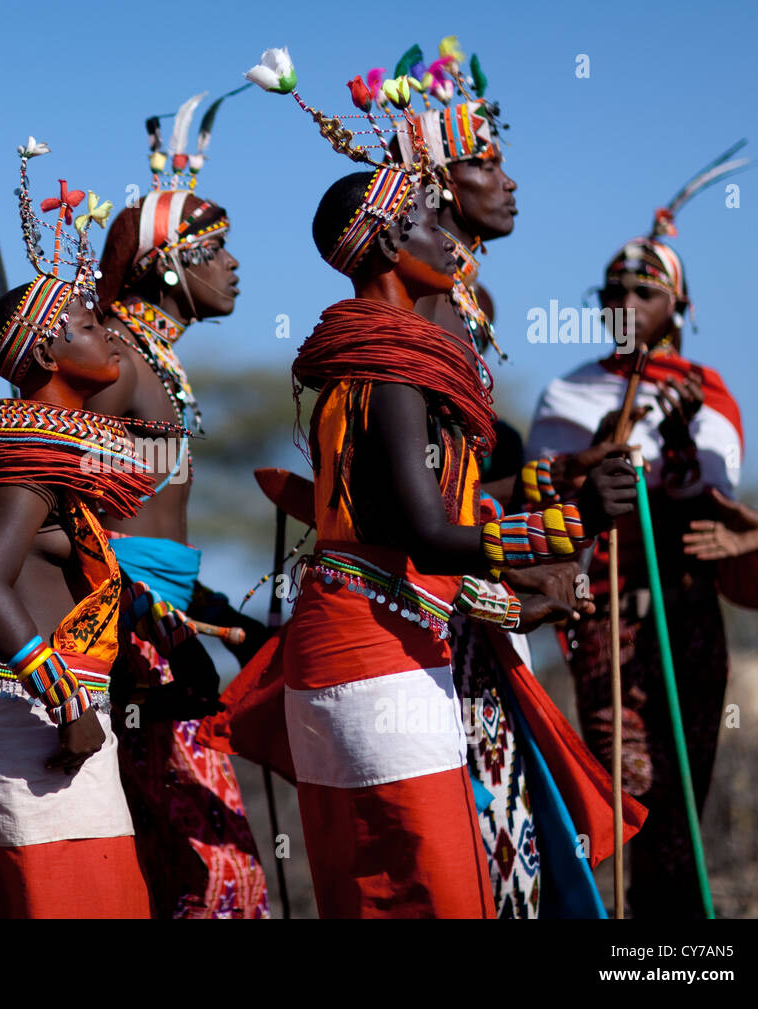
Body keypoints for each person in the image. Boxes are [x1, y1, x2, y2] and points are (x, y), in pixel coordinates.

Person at [244, 49, 638, 917]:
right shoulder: (389, 363)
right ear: (392, 239)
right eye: (433, 215)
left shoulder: (388, 352)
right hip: (378, 643)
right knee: (432, 887)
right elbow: (425, 529)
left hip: (396, 630)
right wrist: (567, 525)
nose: (451, 234)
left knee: (450, 878)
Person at [528, 151, 756, 915]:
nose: (626, 296)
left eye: (645, 287)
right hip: (606, 609)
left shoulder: (709, 393)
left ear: (679, 306)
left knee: (683, 783)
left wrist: (684, 429)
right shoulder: (570, 392)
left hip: (684, 608)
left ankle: (679, 943)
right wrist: (610, 434)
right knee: (624, 778)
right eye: (614, 287)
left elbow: (714, 496)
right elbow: (544, 496)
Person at [0, 142, 155, 918]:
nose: (106, 333)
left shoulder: (56, 457)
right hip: (35, 718)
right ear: (44, 349)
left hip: (49, 717)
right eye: (87, 322)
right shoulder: (27, 464)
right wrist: (67, 703)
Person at [84, 91, 269, 919]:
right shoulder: (115, 361)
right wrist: (141, 624)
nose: (234, 264)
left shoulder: (155, 365)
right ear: (165, 265)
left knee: (199, 853)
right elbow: (75, 509)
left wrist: (224, 613)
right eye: (214, 249)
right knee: (202, 858)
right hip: (126, 633)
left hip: (167, 618)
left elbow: (158, 531)